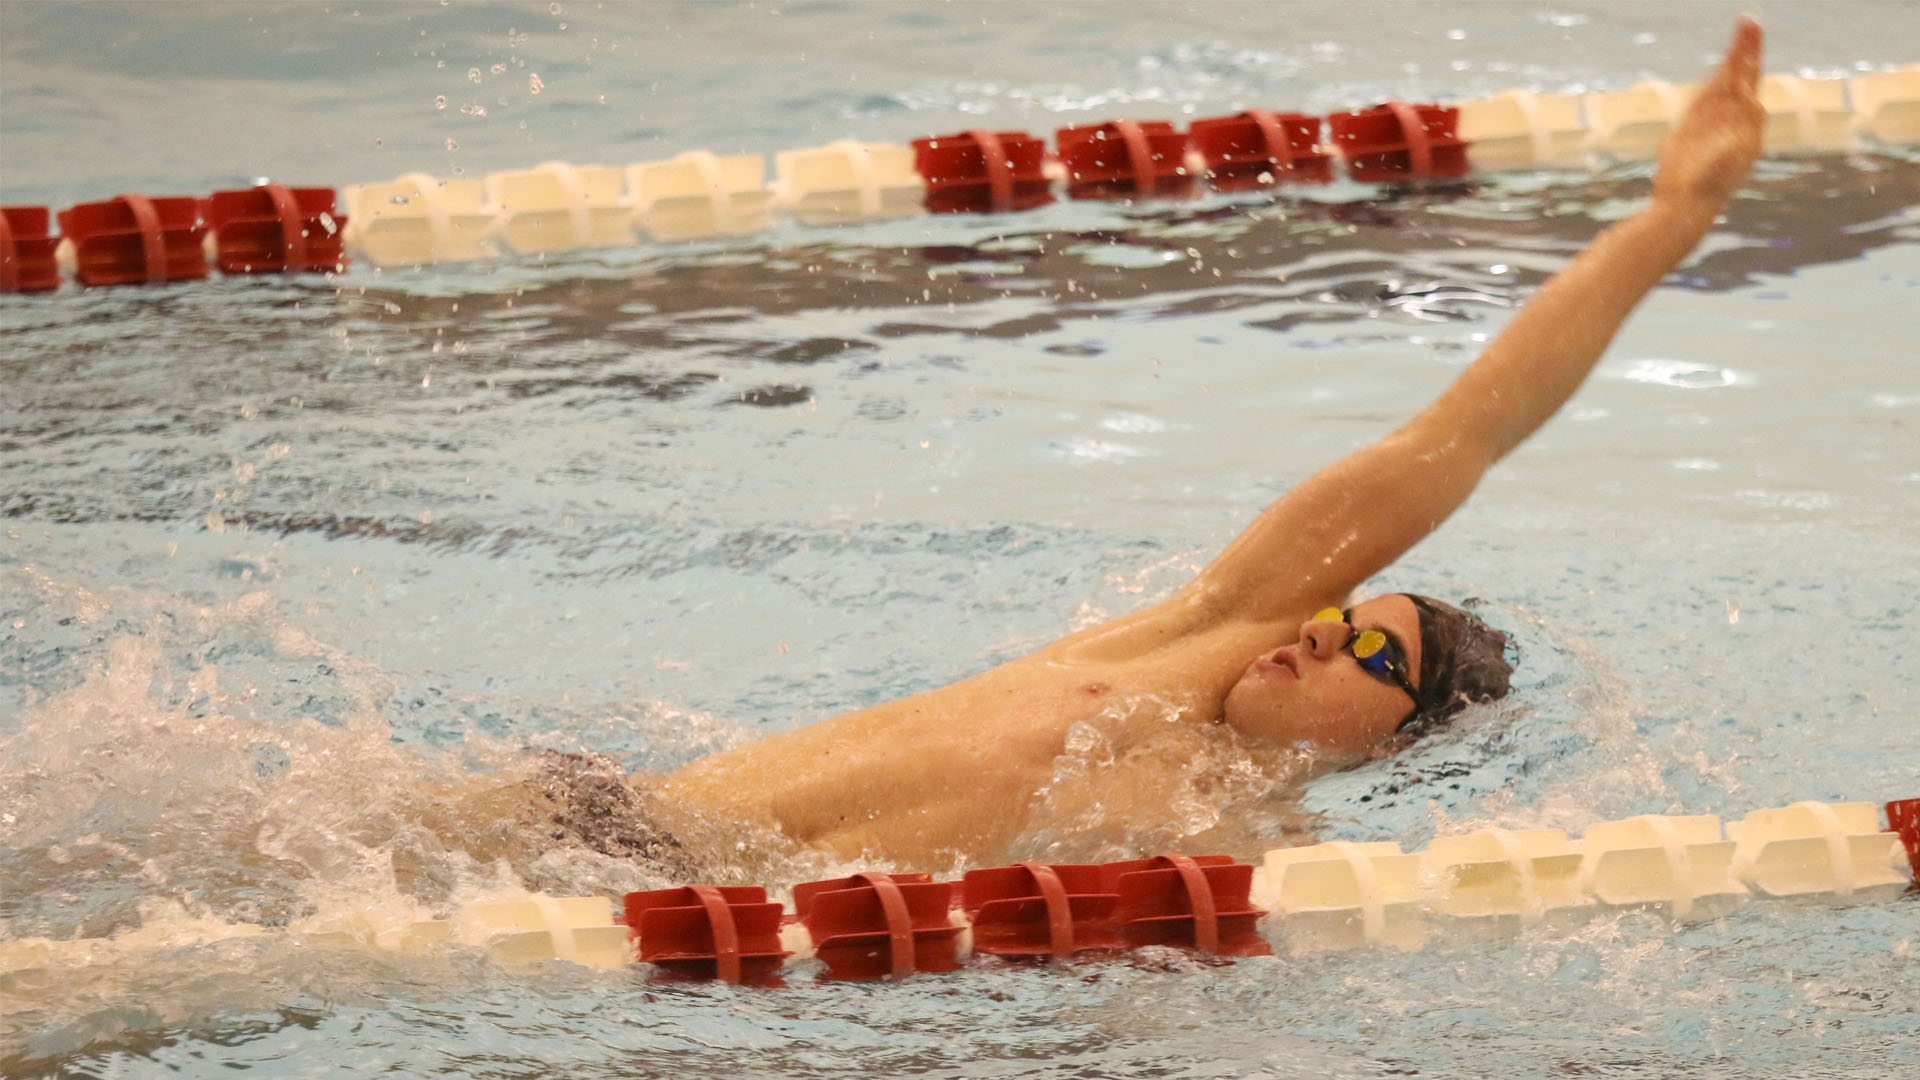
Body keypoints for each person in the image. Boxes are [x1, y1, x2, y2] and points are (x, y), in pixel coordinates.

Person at [653, 19, 1768, 870]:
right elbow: (1468, 429)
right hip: (622, 834)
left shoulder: (1238, 859)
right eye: (1342, 616)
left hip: (682, 944)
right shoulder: (1200, 642)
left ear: (1394, 743)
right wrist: (1674, 217)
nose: (1320, 633)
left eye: (1370, 654)